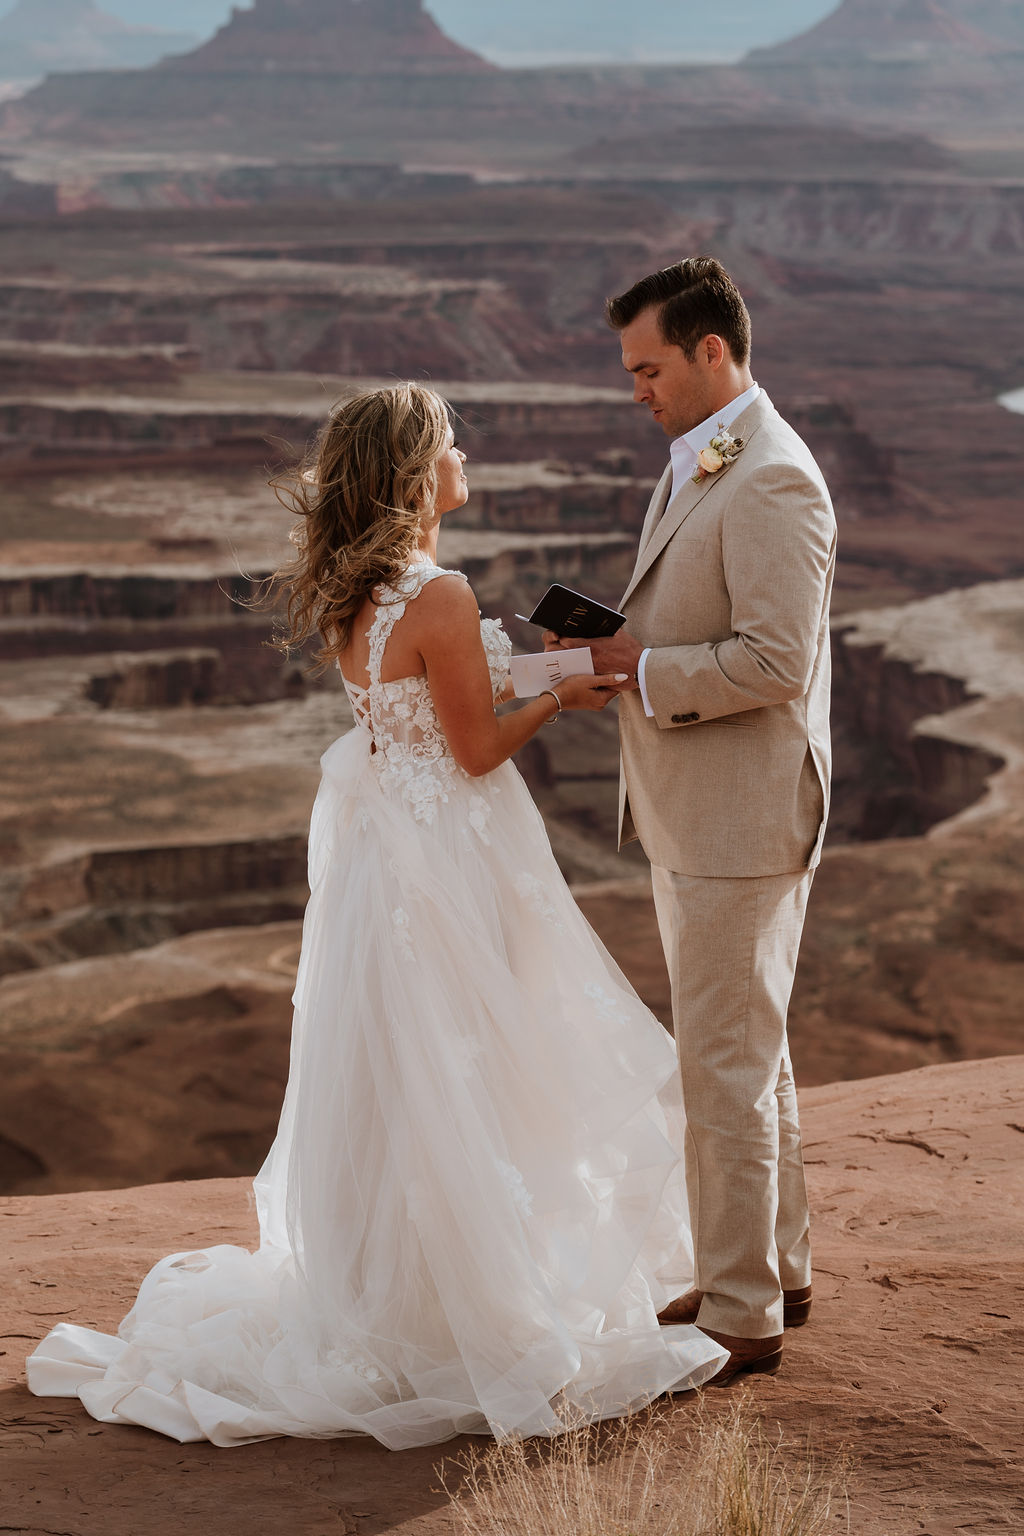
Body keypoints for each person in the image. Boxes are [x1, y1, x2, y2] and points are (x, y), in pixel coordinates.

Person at [26, 382, 727, 1448]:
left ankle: (403, 1299)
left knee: (417, 1079)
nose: (464, 454)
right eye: (450, 443)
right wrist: (558, 696)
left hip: (392, 867)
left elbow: (417, 716)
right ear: (415, 474)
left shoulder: (367, 593)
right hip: (448, 860)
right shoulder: (435, 595)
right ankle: (467, 1315)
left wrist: (516, 662)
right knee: (479, 1066)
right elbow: (475, 749)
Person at [547, 258, 836, 1382]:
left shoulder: (771, 479)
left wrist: (644, 666)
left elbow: (774, 660)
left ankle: (739, 1314)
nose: (636, 389)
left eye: (648, 367)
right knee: (749, 1055)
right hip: (701, 810)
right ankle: (777, 1266)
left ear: (712, 352)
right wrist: (631, 655)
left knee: (722, 1062)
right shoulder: (712, 459)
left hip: (738, 816)